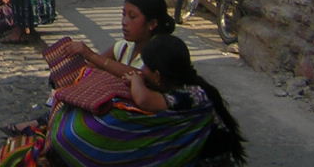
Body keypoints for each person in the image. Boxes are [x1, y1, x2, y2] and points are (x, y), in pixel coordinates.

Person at [48, 34, 247, 166]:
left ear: (158, 76)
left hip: (207, 158)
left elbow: (144, 101)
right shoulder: (177, 86)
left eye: (145, 68)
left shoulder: (192, 95)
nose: (141, 71)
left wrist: (136, 81)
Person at [0, 0, 176, 136]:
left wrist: (89, 54)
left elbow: (140, 76)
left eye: (132, 17)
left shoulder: (158, 53)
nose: (124, 22)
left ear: (152, 24)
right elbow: (90, 70)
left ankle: (44, 126)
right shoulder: (123, 47)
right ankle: (44, 124)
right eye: (123, 15)